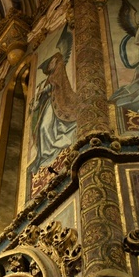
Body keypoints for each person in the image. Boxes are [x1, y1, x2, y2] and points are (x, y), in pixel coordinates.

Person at [29, 26, 78, 177]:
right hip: (48, 104)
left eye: (52, 62)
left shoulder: (58, 74)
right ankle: (45, 153)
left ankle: (48, 151)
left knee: (45, 127)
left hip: (55, 103)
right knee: (43, 127)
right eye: (50, 63)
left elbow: (58, 86)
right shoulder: (47, 79)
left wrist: (43, 91)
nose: (51, 65)